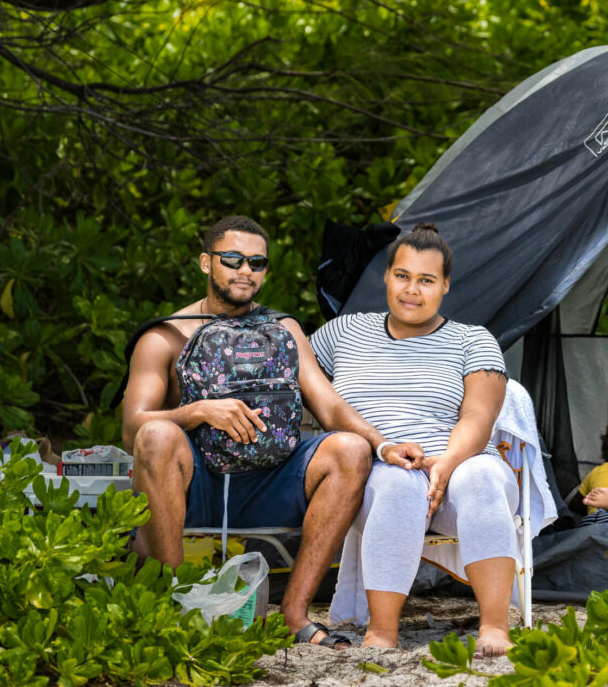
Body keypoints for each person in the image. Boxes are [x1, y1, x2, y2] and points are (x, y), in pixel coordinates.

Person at [122, 215, 423, 647]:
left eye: (257, 262)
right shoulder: (165, 336)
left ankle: (294, 614)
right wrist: (200, 410)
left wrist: (383, 445)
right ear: (206, 263)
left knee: (351, 450)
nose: (245, 270)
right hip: (196, 486)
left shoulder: (284, 329)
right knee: (156, 436)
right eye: (233, 259)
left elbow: (329, 405)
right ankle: (176, 606)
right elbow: (133, 425)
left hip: (272, 482)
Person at [311, 222, 517, 656]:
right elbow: (293, 375)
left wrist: (446, 464)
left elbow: (478, 417)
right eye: (403, 276)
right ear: (386, 276)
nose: (412, 290)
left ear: (445, 285)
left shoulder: (472, 340)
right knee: (398, 482)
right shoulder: (344, 332)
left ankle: (495, 627)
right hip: (375, 475)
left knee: (481, 476)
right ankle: (383, 632)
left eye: (426, 280)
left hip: (459, 469)